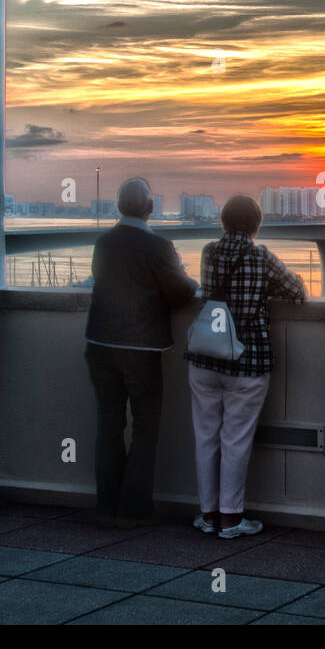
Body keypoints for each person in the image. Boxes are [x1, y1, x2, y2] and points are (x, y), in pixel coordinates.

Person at [185, 195, 306, 538]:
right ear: (256, 225)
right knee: (235, 440)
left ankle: (208, 515)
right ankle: (231, 519)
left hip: (204, 358)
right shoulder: (260, 256)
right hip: (247, 361)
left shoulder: (209, 252)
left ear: (223, 222)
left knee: (205, 437)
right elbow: (297, 292)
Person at [83, 177, 199, 529]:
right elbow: (180, 293)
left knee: (109, 424)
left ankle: (106, 507)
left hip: (100, 344)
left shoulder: (103, 243)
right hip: (141, 348)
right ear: (151, 208)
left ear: (118, 207)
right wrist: (191, 280)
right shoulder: (159, 246)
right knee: (146, 427)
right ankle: (133, 511)